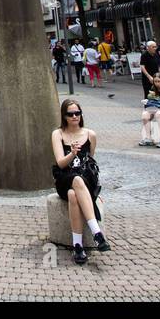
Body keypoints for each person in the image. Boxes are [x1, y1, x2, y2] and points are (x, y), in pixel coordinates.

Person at [51, 99, 110, 264]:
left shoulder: (90, 134)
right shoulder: (58, 134)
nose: (75, 116)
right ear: (64, 116)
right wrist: (72, 153)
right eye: (70, 114)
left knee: (73, 195)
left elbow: (90, 161)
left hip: (83, 181)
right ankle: (96, 232)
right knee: (74, 181)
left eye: (77, 113)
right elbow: (60, 163)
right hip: (64, 178)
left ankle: (78, 246)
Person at [139, 74, 160, 148]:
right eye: (155, 81)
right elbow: (152, 100)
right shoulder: (153, 88)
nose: (157, 83)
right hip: (154, 108)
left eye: (159, 81)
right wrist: (147, 102)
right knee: (144, 115)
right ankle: (148, 139)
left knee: (158, 115)